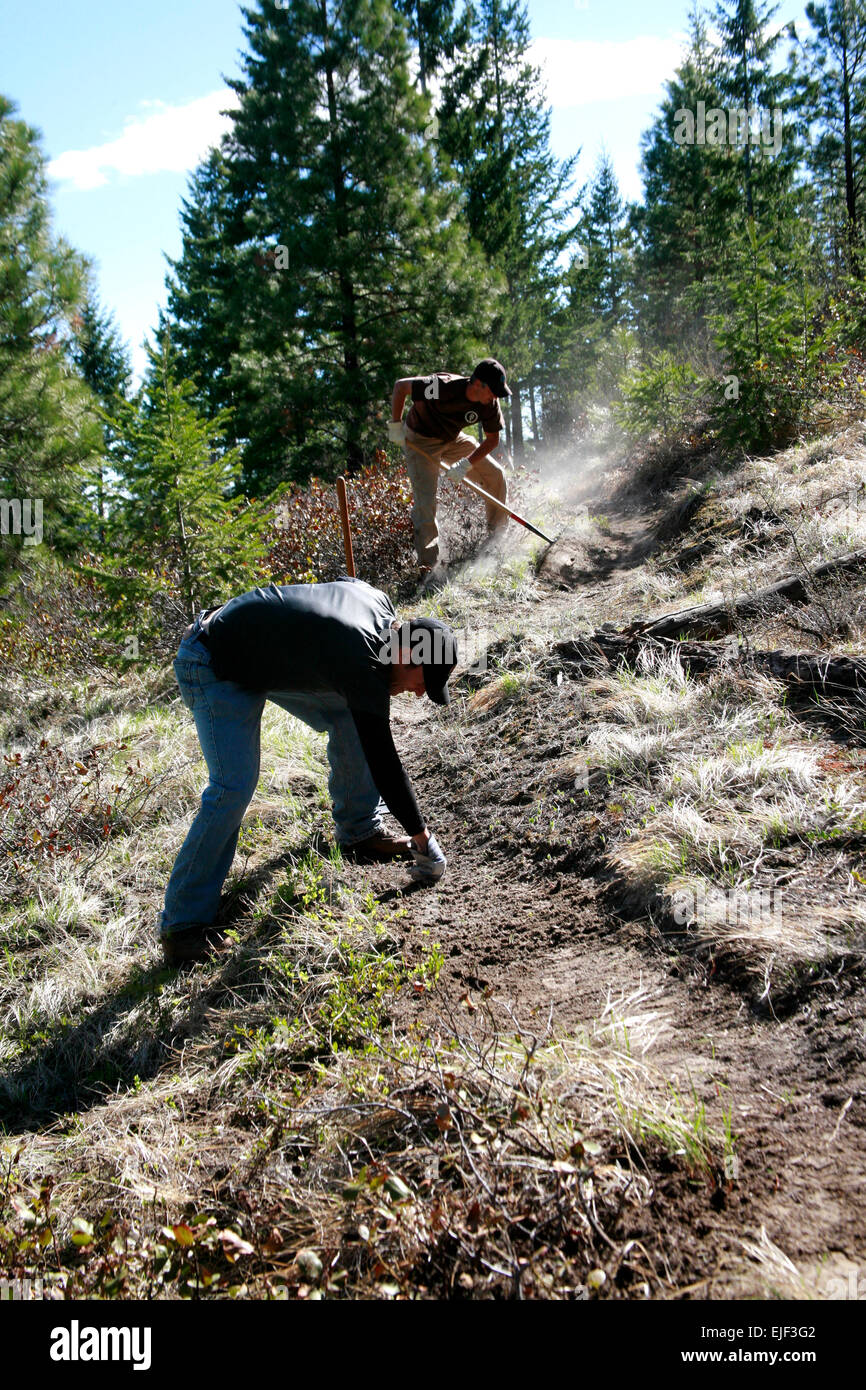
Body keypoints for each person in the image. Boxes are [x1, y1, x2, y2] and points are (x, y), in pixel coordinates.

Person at [159, 577, 457, 965]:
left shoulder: (380, 609)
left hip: (258, 656)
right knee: (233, 787)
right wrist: (422, 839)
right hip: (212, 660)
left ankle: (359, 829)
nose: (419, 693)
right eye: (423, 682)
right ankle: (182, 927)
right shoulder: (362, 659)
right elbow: (384, 761)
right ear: (409, 656)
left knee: (354, 713)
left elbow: (344, 588)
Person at [389, 358, 512, 586]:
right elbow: (401, 387)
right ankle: (429, 571)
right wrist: (395, 426)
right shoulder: (442, 386)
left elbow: (492, 440)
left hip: (453, 439)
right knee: (426, 503)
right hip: (421, 440)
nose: (495, 397)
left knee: (495, 475)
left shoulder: (489, 403)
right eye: (493, 391)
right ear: (479, 384)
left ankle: (496, 540)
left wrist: (466, 464)